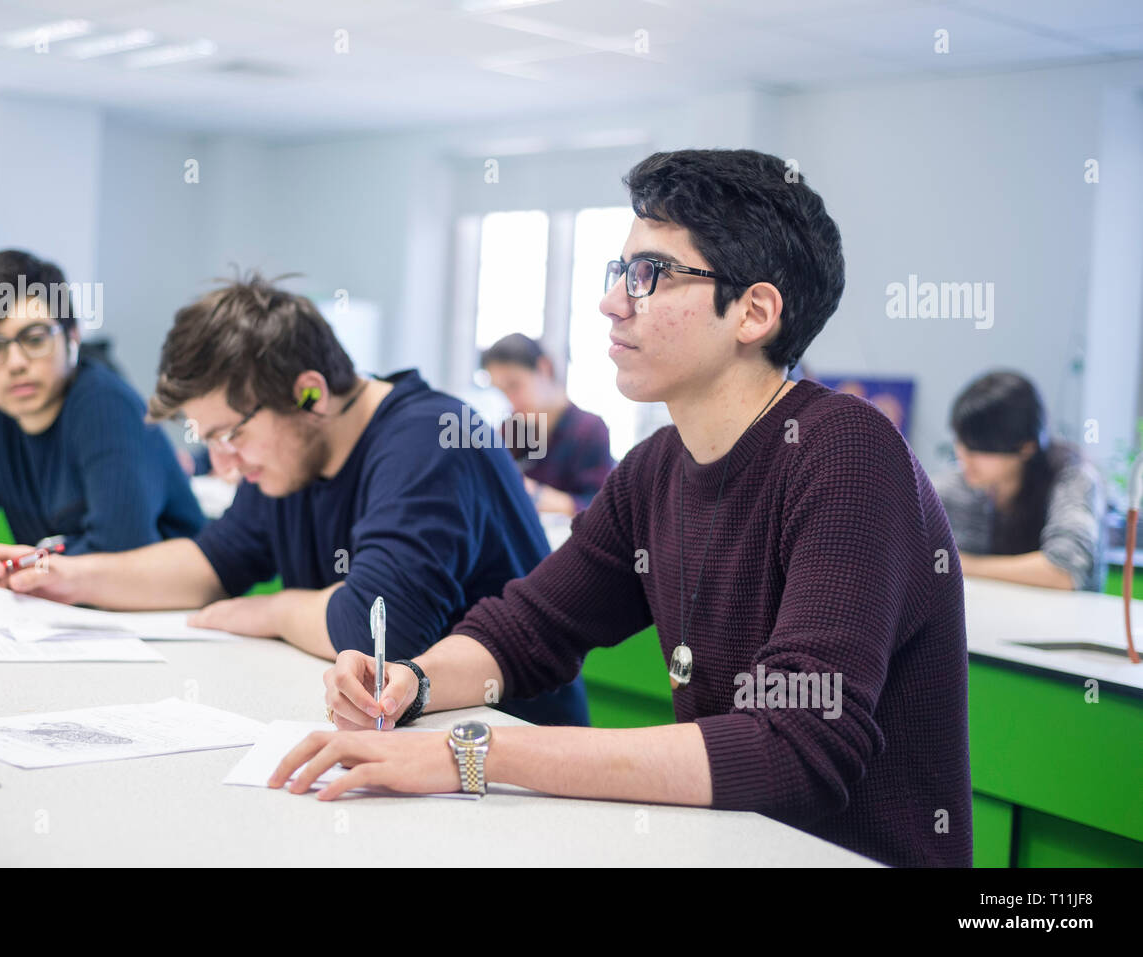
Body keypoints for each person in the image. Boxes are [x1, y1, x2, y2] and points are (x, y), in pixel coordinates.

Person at [274, 149, 972, 869]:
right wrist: (412, 682)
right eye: (620, 272)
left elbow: (796, 745)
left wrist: (472, 753)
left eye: (650, 274)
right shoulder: (656, 467)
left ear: (754, 312)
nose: (612, 302)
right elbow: (529, 628)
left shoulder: (850, 453)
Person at [0, 274, 589, 727]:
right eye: (209, 440)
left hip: (502, 752)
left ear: (309, 395)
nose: (225, 464)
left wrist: (273, 611)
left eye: (231, 434)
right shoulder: (287, 460)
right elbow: (210, 563)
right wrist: (66, 575)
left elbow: (382, 634)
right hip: (400, 740)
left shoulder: (429, 440)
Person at [0, 249, 203, 564]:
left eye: (35, 339)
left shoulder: (106, 406)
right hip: (64, 593)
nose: (15, 363)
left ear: (73, 338)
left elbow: (119, 549)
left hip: (168, 592)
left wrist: (28, 565)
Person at [933, 370, 1104, 591]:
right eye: (961, 442)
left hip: (1062, 611)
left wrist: (960, 564)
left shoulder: (1072, 478)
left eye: (979, 448)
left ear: (1026, 447)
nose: (963, 457)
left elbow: (1064, 573)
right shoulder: (956, 485)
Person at [480, 333, 613, 515]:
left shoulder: (589, 429)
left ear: (544, 369)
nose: (510, 400)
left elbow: (600, 509)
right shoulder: (512, 428)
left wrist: (536, 495)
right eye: (502, 391)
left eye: (514, 385)